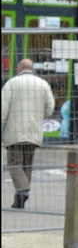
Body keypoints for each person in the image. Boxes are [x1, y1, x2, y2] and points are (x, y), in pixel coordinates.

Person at [1, 58, 55, 209]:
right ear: (32, 69)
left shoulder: (11, 83)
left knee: (14, 163)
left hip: (15, 131)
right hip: (33, 132)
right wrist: (38, 117)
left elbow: (3, 108)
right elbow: (50, 108)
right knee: (27, 165)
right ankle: (19, 200)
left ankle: (23, 190)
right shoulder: (43, 84)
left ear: (19, 68)